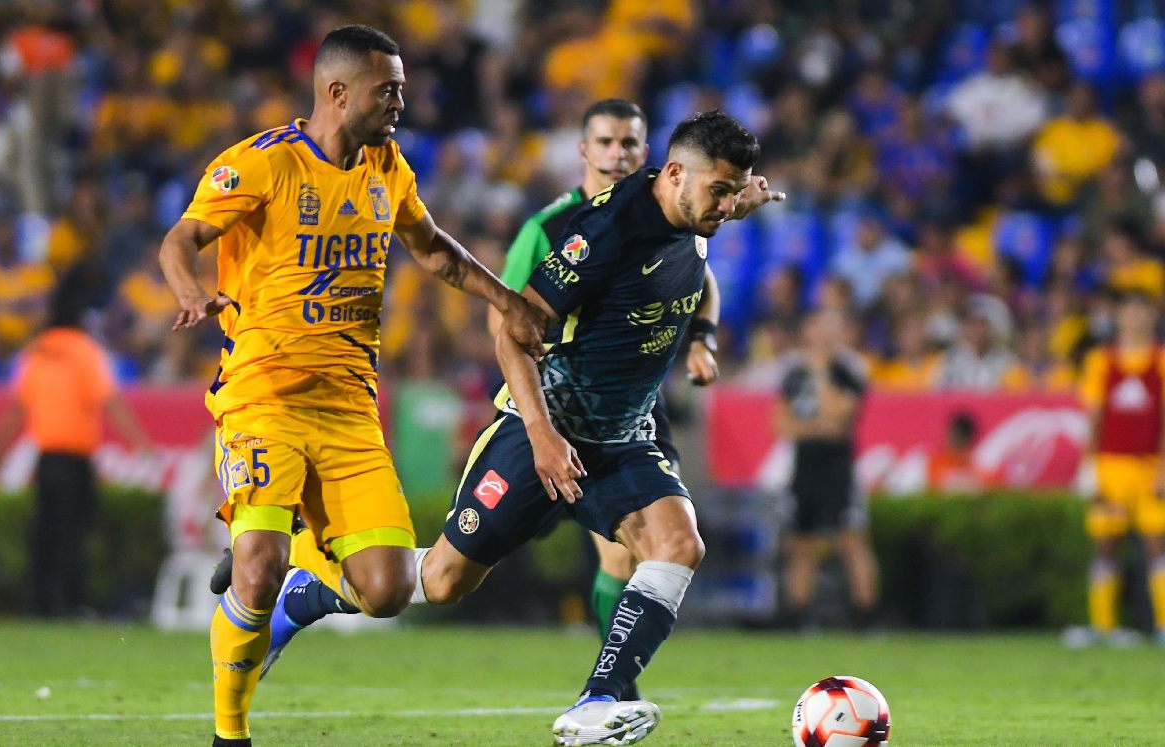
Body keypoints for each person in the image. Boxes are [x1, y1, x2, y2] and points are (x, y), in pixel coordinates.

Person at [247, 110, 784, 745]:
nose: (724, 206)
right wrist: (540, 434)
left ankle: (597, 702)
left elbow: (711, 226)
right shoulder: (607, 231)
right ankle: (309, 596)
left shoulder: (696, 205)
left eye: (732, 191)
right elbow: (515, 333)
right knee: (444, 582)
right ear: (672, 175)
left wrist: (741, 199)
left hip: (623, 435)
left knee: (678, 544)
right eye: (718, 192)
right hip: (545, 429)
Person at [157, 25, 544, 747]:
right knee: (257, 563)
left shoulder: (387, 167)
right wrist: (188, 289)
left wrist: (505, 298)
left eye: (401, 87)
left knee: (391, 591)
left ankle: (308, 577)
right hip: (261, 393)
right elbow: (180, 239)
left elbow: (432, 249)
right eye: (387, 89)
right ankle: (229, 732)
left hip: (348, 408)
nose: (402, 100)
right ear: (337, 92)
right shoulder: (263, 163)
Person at [486, 98, 721, 698]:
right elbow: (509, 320)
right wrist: (536, 417)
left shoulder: (674, 214)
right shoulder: (552, 229)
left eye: (630, 143)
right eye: (608, 143)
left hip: (632, 408)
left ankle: (612, 690)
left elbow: (702, 279)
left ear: (649, 154)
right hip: (555, 407)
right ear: (584, 151)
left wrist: (702, 339)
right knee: (450, 571)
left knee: (627, 558)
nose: (619, 153)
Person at [0, 269, 152, 617]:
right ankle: (67, 604)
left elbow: (17, 410)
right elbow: (111, 402)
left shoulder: (37, 351)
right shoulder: (84, 351)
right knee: (73, 534)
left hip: (46, 460)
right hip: (75, 461)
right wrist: (142, 443)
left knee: (45, 533)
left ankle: (39, 604)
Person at [1071, 290, 1165, 647]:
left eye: (1142, 312)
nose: (1135, 319)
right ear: (1119, 317)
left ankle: (1162, 626)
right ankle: (1104, 626)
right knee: (1106, 543)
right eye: (1129, 311)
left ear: (1151, 318)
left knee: (1157, 543)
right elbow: (1094, 418)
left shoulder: (1160, 360)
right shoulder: (1100, 361)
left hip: (1149, 466)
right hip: (1110, 465)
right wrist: (1089, 467)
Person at [775, 308, 878, 630]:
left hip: (838, 467)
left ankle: (866, 615)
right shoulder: (794, 373)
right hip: (805, 466)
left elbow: (840, 421)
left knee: (851, 539)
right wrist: (818, 425)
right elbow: (781, 425)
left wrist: (820, 375)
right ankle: (797, 616)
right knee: (802, 541)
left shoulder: (847, 370)